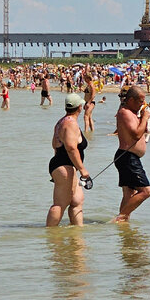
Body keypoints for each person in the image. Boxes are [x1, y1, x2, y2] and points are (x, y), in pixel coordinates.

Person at [47, 93, 90, 227]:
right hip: (64, 165)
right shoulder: (70, 124)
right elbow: (71, 148)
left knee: (77, 201)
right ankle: (51, 236)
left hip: (64, 166)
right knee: (60, 204)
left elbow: (55, 145)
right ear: (80, 107)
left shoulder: (61, 122)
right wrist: (83, 170)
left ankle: (77, 235)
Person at [113, 86, 150, 222]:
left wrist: (144, 118)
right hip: (126, 157)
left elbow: (140, 130)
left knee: (129, 193)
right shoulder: (125, 112)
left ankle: (124, 222)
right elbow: (135, 134)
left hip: (130, 157)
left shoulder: (133, 112)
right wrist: (145, 118)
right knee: (146, 191)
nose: (143, 104)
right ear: (130, 100)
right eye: (140, 101)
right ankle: (120, 218)